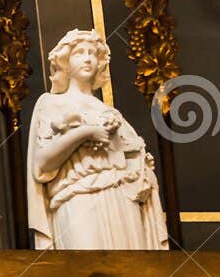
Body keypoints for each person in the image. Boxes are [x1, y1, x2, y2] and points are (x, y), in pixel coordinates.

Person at [27, 29, 167, 251]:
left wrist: (143, 168)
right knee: (85, 273)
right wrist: (85, 133)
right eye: (79, 52)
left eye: (92, 53)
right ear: (65, 61)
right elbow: (42, 166)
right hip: (78, 199)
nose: (88, 58)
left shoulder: (111, 113)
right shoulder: (52, 104)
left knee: (131, 274)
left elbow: (136, 164)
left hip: (122, 200)